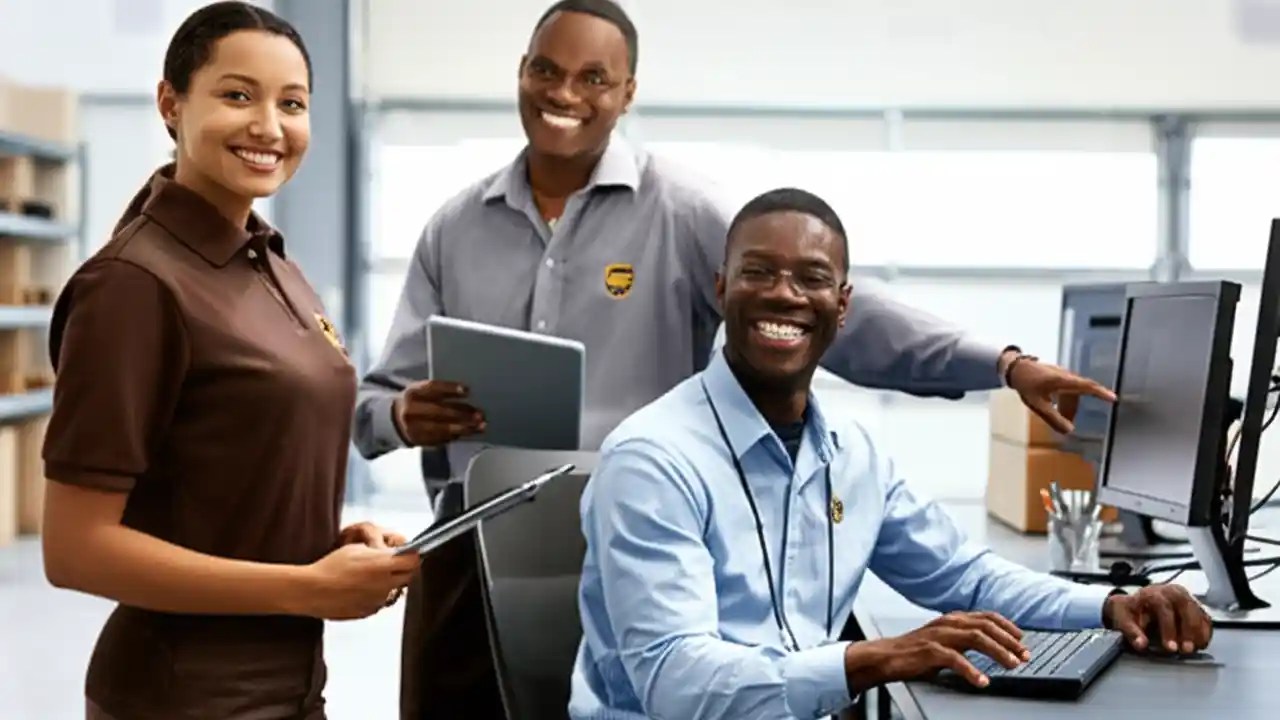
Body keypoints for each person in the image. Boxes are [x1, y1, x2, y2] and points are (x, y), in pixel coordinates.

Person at [352, 1, 1116, 716]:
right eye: (546, 70)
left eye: (594, 77)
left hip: (663, 525)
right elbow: (371, 409)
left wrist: (1002, 365)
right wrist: (398, 412)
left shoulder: (684, 211)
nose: (565, 93)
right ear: (520, 71)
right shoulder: (453, 226)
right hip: (482, 538)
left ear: (628, 93)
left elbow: (817, 294)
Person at [568, 187, 1213, 719]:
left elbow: (967, 577)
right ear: (721, 289)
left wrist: (1109, 607)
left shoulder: (852, 455)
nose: (785, 295)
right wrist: (874, 659)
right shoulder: (652, 460)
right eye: (758, 272)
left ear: (842, 305)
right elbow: (677, 685)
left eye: (812, 278)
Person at [38, 3, 420, 719]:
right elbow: (75, 548)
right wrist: (308, 588)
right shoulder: (134, 285)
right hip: (183, 697)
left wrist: (327, 547)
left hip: (290, 687)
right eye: (237, 95)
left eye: (293, 103)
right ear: (170, 103)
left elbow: (227, 477)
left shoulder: (266, 260)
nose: (270, 127)